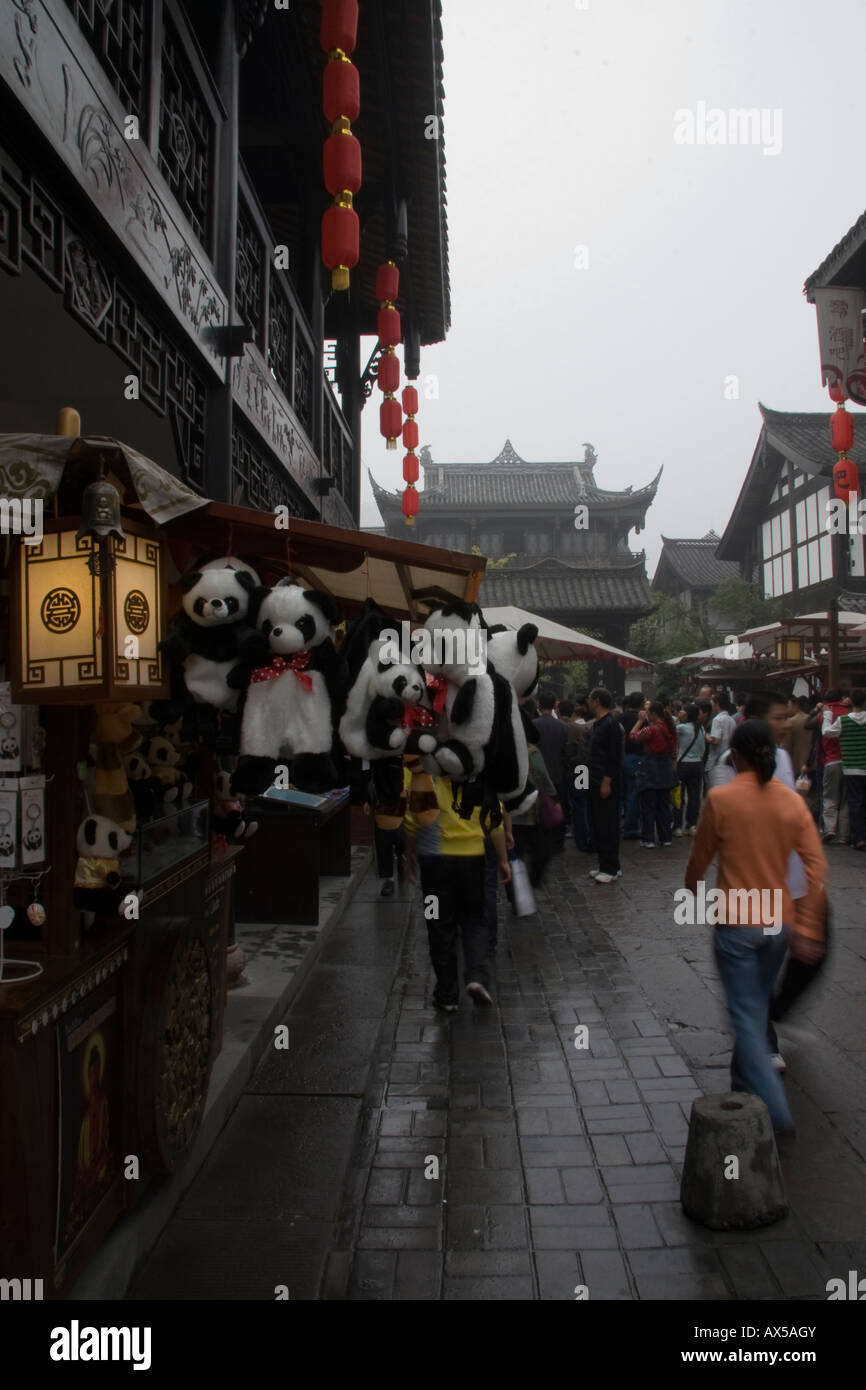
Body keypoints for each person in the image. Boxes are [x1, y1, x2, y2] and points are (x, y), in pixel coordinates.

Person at [684, 721, 827, 1137]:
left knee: (745, 1015)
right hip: (778, 922)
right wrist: (809, 926)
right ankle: (743, 1088)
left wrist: (690, 887)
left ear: (737, 755)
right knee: (755, 1005)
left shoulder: (722, 799)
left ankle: (776, 1112)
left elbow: (701, 853)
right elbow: (817, 867)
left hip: (738, 920)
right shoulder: (790, 801)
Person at [405, 775, 511, 1010]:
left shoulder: (427, 777)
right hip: (473, 860)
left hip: (434, 864)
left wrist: (409, 855)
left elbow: (412, 820)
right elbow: (495, 821)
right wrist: (503, 859)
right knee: (475, 919)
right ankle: (476, 976)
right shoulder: (480, 779)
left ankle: (447, 993)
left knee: (437, 923)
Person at [586, 687, 624, 884]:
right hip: (595, 780)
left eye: (590, 698)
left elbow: (613, 757)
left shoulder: (610, 724)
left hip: (604, 782)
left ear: (597, 700)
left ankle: (609, 867)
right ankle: (608, 864)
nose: (588, 702)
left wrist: (606, 781)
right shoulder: (600, 724)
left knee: (606, 825)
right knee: (600, 824)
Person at [629, 700, 678, 847]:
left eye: (648, 712)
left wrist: (639, 721)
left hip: (650, 768)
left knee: (648, 805)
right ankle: (665, 837)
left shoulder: (651, 729)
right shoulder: (670, 728)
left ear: (654, 714)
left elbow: (633, 737)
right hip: (665, 769)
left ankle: (648, 839)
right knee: (663, 805)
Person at [510, 740, 557, 888]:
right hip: (532, 811)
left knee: (515, 855)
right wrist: (554, 797)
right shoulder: (532, 751)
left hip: (512, 813)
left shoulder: (504, 749)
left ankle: (516, 892)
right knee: (541, 851)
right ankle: (531, 881)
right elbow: (543, 776)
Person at [824, 688, 866, 851]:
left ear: (850, 701)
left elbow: (827, 732)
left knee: (855, 803)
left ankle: (859, 838)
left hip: (851, 768)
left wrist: (827, 715)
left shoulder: (844, 720)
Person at [533, 689, 569, 850]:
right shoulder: (562, 726)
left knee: (538, 810)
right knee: (558, 807)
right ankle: (558, 842)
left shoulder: (533, 725)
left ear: (539, 705)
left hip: (537, 775)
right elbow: (566, 753)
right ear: (555, 705)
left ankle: (541, 841)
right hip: (557, 773)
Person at [815, 690, 851, 843]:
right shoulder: (848, 713)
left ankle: (829, 829)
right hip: (849, 760)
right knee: (845, 800)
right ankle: (844, 835)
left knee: (829, 797)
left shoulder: (825, 714)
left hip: (830, 760)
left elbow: (817, 730)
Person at [562, 699, 593, 851]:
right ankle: (584, 835)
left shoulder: (565, 727)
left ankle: (579, 833)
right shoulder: (583, 728)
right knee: (582, 802)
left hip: (571, 768)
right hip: (582, 769)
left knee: (576, 803)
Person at [673, 702, 705, 836]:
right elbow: (703, 750)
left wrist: (678, 719)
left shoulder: (682, 728)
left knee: (679, 796)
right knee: (694, 796)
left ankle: (678, 826)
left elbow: (669, 729)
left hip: (683, 765)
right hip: (697, 765)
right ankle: (692, 825)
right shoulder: (701, 729)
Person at [618, 692, 644, 840]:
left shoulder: (619, 718)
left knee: (620, 793)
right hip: (637, 758)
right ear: (640, 704)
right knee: (633, 794)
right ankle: (631, 827)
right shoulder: (642, 720)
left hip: (621, 757)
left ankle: (616, 824)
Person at [705, 693, 737, 789]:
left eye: (713, 703)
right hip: (729, 761)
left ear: (717, 704)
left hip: (716, 761)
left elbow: (716, 740)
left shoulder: (717, 720)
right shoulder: (731, 720)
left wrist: (706, 736)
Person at [784, 696, 813, 779]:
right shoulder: (813, 720)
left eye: (788, 706)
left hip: (797, 765)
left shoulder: (791, 722)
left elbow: (787, 747)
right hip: (814, 764)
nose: (787, 709)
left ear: (795, 705)